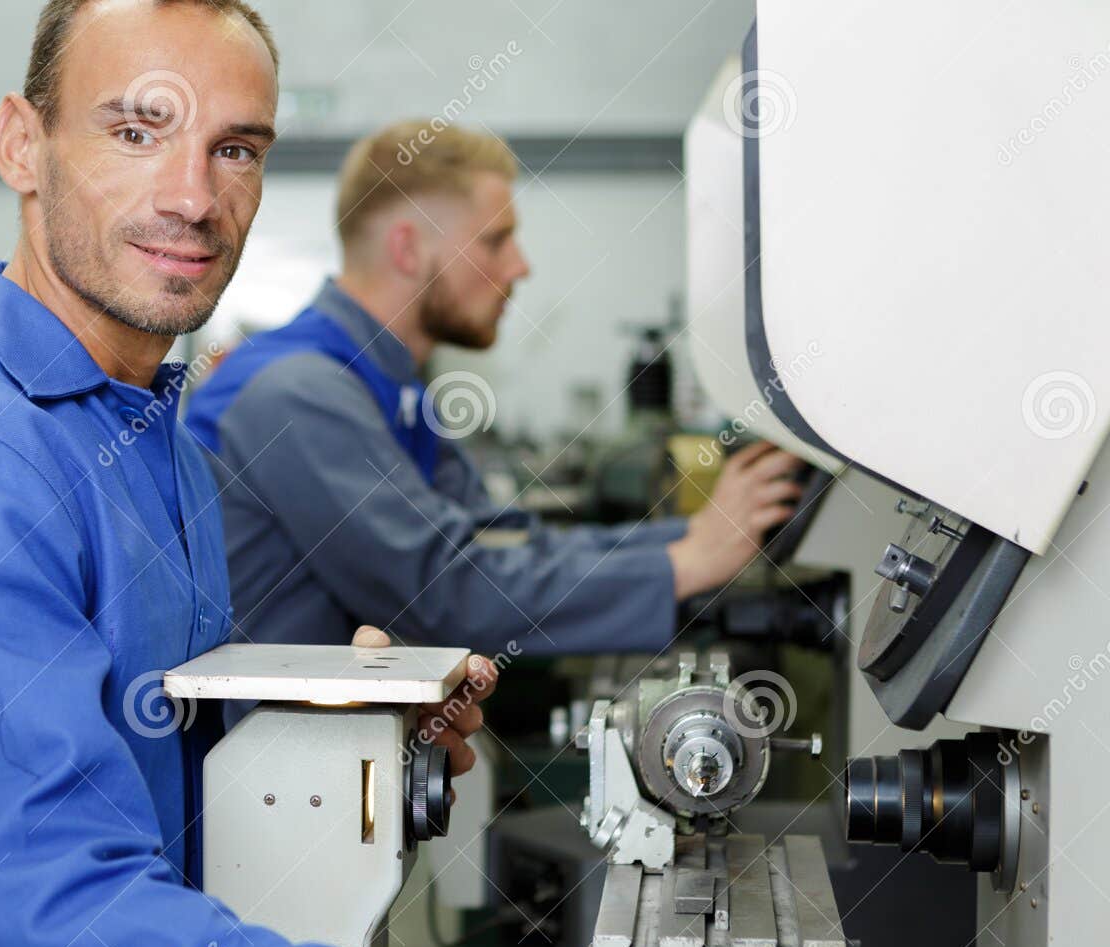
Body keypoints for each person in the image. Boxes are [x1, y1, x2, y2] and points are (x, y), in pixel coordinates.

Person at [0, 0, 763, 947]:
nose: (193, 196)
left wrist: (343, 719)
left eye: (232, 148)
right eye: (135, 131)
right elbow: (56, 912)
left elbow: (151, 754)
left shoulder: (150, 435)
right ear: (22, 144)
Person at [184, 122, 803, 655]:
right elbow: (445, 591)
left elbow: (497, 542)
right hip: (261, 771)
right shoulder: (298, 394)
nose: (521, 266)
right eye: (495, 240)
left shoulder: (387, 387)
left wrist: (691, 537)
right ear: (408, 248)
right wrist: (684, 566)